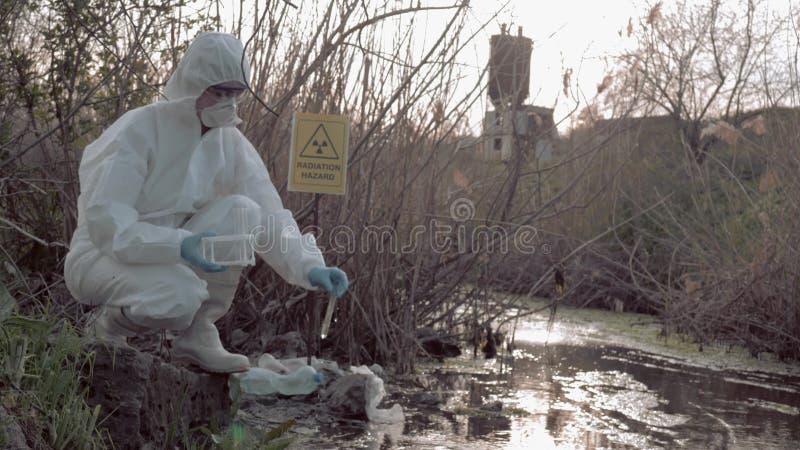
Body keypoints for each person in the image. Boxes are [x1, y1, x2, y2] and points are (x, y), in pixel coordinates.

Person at [64, 32, 348, 374]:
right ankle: (107, 326)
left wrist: (309, 266)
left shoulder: (230, 143)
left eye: (235, 94)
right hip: (101, 257)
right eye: (219, 92)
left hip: (169, 253)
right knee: (178, 296)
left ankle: (197, 333)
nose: (228, 103)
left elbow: (269, 214)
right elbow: (109, 225)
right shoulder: (141, 129)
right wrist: (179, 245)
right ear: (194, 84)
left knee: (243, 210)